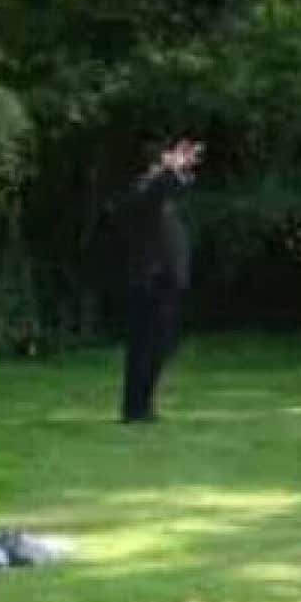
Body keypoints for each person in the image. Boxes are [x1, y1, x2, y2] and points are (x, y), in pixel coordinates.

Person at [115, 137, 202, 423]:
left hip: (166, 280)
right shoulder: (145, 188)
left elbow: (179, 186)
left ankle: (144, 405)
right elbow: (156, 190)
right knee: (144, 347)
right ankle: (135, 408)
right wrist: (169, 168)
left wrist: (178, 169)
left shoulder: (163, 192)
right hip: (149, 280)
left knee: (160, 346)